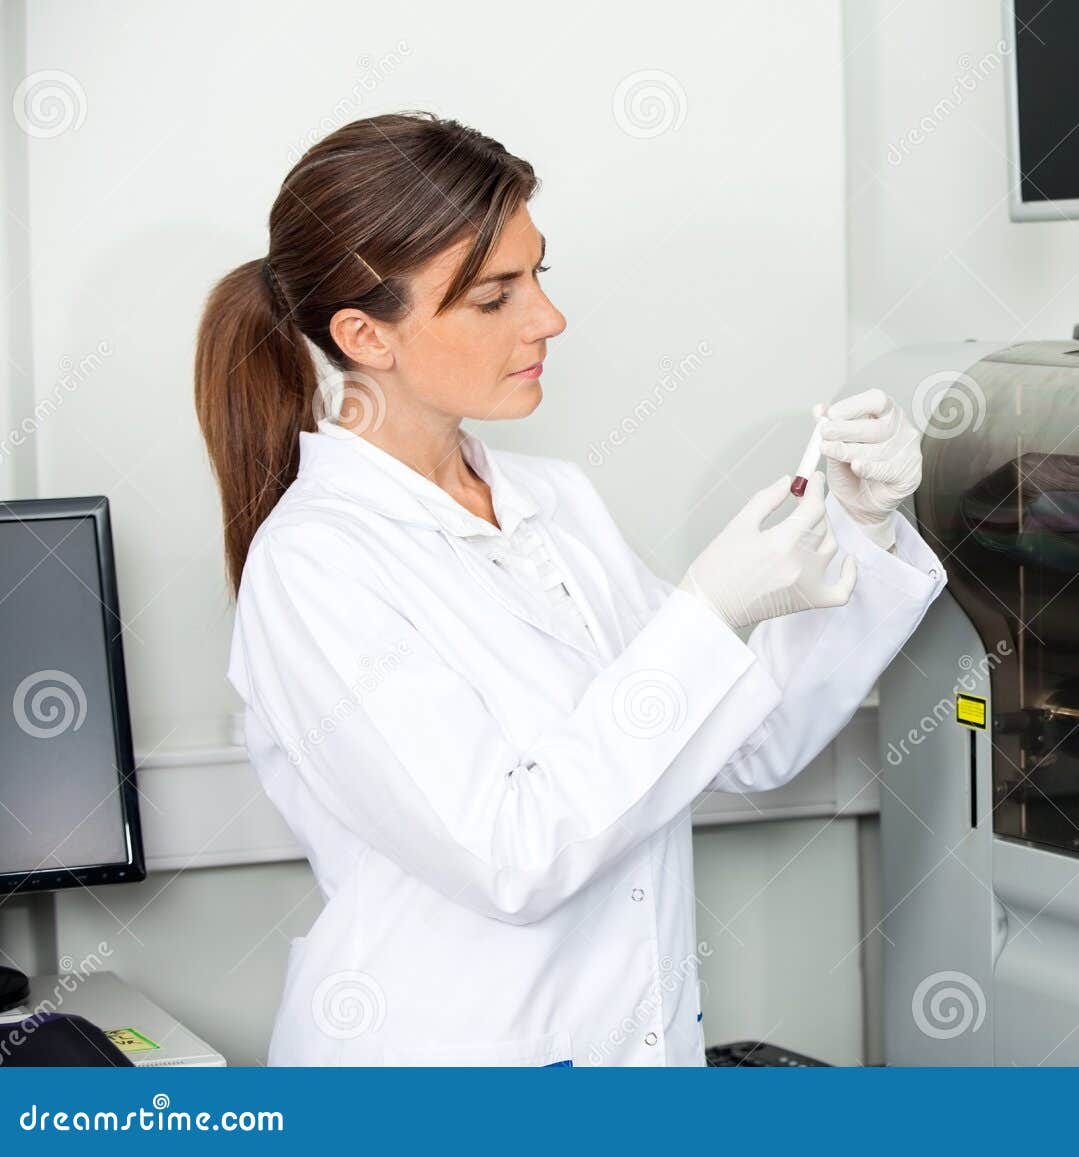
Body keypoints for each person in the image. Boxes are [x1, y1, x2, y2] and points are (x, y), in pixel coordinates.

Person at [192, 112, 946, 1066]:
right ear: (363, 335)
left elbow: (751, 746)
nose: (547, 317)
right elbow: (510, 855)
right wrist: (707, 614)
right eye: (495, 295)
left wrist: (861, 524)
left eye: (539, 273)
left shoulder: (554, 503)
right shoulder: (314, 568)